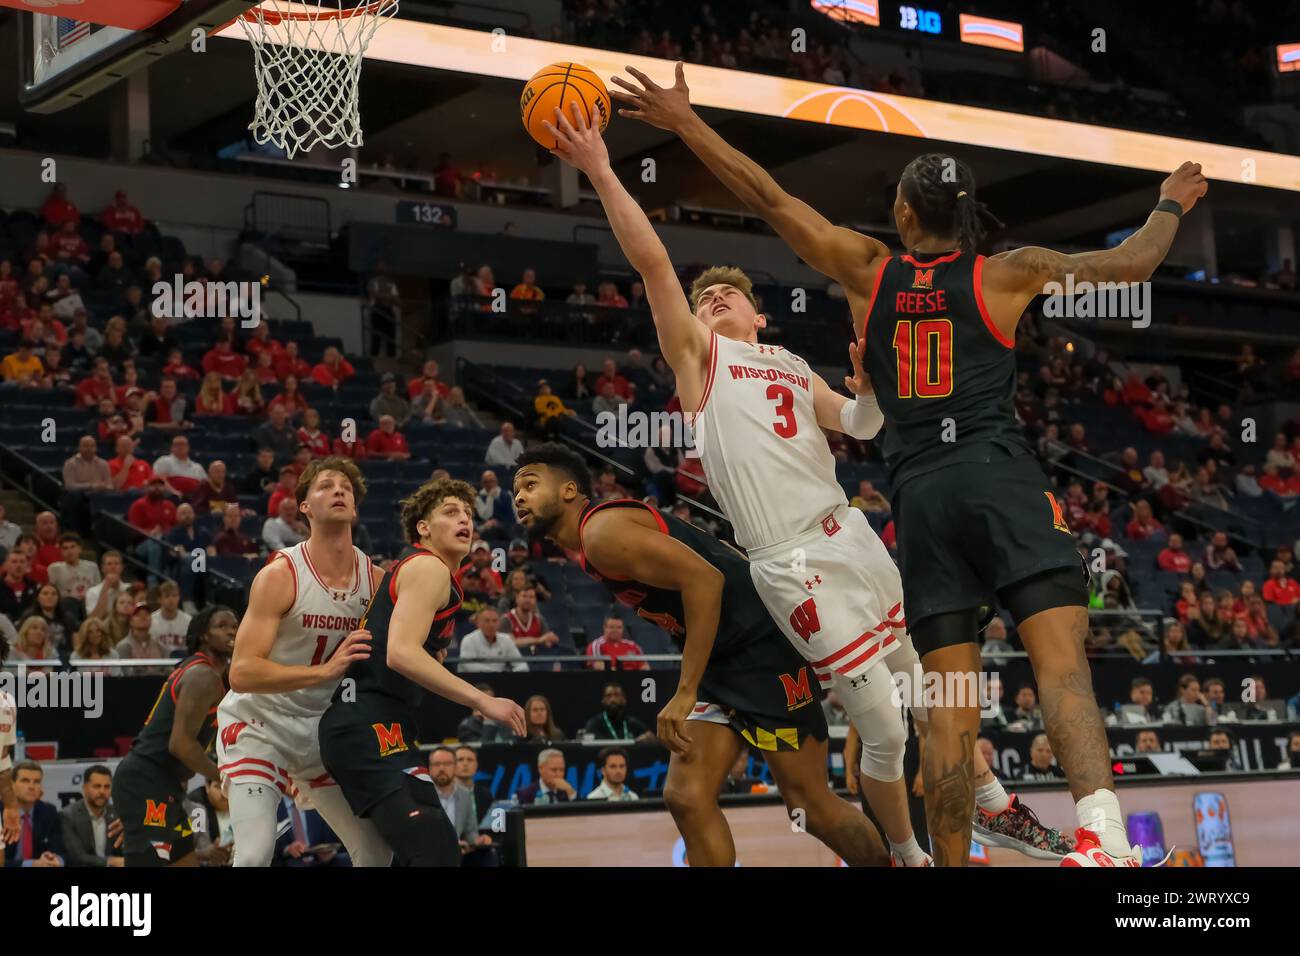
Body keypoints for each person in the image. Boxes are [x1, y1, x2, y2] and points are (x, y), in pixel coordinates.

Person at [609, 64, 1208, 867]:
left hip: (916, 500)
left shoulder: (867, 267)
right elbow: (1133, 263)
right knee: (1050, 664)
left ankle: (952, 859)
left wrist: (684, 122)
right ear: (969, 223)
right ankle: (1101, 838)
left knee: (946, 708)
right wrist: (1173, 199)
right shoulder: (1009, 271)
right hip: (990, 478)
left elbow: (766, 194)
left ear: (900, 214)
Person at [544, 104, 938, 865]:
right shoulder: (702, 362)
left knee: (929, 691)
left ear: (761, 316)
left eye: (727, 296)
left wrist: (870, 387)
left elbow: (860, 425)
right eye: (703, 300)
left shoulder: (788, 364)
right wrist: (598, 168)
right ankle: (907, 855)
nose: (712, 300)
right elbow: (654, 263)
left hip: (850, 531)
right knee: (884, 725)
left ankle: (983, 806)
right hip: (788, 557)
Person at [514, 444, 904, 866]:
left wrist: (685, 691)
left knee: (809, 807)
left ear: (570, 489)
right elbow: (723, 557)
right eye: (516, 490)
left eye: (531, 485)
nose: (519, 497)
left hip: (763, 651)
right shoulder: (598, 537)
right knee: (686, 795)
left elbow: (706, 581)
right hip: (724, 658)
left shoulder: (601, 533)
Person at [318, 477, 525, 867]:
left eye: (467, 513)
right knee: (434, 848)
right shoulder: (429, 566)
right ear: (423, 529)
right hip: (367, 724)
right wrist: (483, 700)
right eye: (450, 512)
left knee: (396, 855)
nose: (464, 519)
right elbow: (400, 653)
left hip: (376, 724)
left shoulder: (435, 577)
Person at [216, 458, 393, 868]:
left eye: (346, 486)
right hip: (260, 724)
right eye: (326, 485)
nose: (339, 490)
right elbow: (240, 672)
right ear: (304, 507)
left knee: (377, 851)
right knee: (255, 855)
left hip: (323, 731)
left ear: (356, 506)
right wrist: (324, 672)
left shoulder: (377, 580)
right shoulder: (281, 574)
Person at [112, 607, 236, 866]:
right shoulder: (203, 675)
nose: (232, 630)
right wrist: (223, 777)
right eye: (222, 625)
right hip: (146, 780)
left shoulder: (208, 673)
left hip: (162, 785)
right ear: (203, 635)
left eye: (235, 625)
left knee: (185, 859)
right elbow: (181, 745)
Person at [427, 747, 494, 863]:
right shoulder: (421, 795)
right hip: (429, 853)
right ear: (429, 768)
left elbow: (470, 832)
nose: (442, 768)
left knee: (488, 855)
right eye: (437, 764)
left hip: (458, 854)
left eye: (447, 764)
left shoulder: (465, 795)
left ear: (455, 767)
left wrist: (478, 840)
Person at [58, 765, 124, 867]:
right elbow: (77, 857)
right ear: (85, 788)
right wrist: (111, 862)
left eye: (107, 787)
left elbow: (124, 848)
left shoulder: (117, 814)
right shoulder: (68, 816)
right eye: (97, 786)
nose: (102, 791)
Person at [4, 761, 66, 867]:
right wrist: (31, 864)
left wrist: (56, 860)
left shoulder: (48, 811)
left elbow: (60, 850)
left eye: (37, 781)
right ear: (12, 785)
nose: (31, 786)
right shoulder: (3, 812)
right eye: (25, 781)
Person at [457, 607, 529, 672]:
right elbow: (468, 665)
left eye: (494, 621)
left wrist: (512, 676)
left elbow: (521, 664)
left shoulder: (506, 640)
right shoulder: (468, 640)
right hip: (473, 682)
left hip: (500, 681)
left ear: (499, 623)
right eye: (487, 621)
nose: (491, 624)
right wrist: (496, 673)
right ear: (478, 623)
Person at [581, 682, 654, 742]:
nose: (612, 700)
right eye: (608, 696)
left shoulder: (632, 722)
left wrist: (646, 738)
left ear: (624, 699)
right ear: (603, 700)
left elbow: (650, 736)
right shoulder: (594, 724)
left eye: (616, 695)